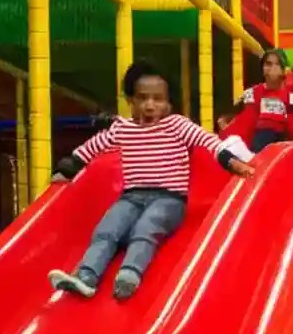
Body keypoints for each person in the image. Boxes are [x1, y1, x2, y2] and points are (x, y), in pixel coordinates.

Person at [48, 60, 254, 301]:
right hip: (132, 196)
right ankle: (86, 277)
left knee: (147, 226)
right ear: (131, 101)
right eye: (142, 98)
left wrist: (232, 163)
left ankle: (130, 272)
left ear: (168, 103)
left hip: (169, 199)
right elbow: (90, 148)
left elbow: (209, 142)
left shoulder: (177, 125)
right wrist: (66, 171)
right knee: (108, 227)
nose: (149, 104)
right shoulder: (122, 129)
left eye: (157, 99)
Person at [235, 48, 293, 152]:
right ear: (263, 68)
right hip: (257, 151)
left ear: (284, 70)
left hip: (284, 150)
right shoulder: (252, 93)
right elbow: (247, 127)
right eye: (268, 64)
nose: (272, 68)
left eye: (277, 64)